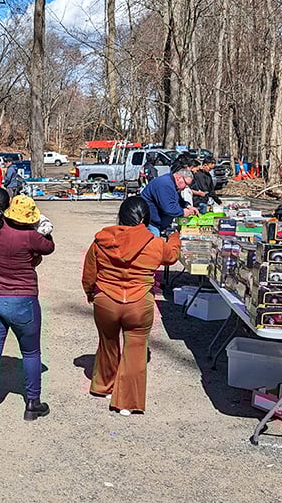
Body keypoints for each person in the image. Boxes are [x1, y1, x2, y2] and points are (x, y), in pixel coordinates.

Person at [81, 197, 180, 415]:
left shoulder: (101, 240)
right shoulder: (154, 243)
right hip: (138, 302)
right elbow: (172, 256)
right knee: (135, 349)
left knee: (107, 342)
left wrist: (90, 293)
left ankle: (103, 386)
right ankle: (126, 402)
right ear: (144, 218)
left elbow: (89, 273)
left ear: (121, 215)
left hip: (106, 299)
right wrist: (174, 236)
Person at [0, 191, 55, 434]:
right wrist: (40, 223)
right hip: (21, 301)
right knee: (30, 352)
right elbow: (49, 246)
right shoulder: (27, 235)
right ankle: (32, 403)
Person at [140, 168, 199, 237]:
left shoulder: (173, 184)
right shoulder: (165, 184)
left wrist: (187, 206)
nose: (186, 187)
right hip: (152, 223)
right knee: (154, 246)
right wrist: (183, 212)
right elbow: (169, 208)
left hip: (159, 223)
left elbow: (178, 200)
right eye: (186, 184)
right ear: (178, 178)